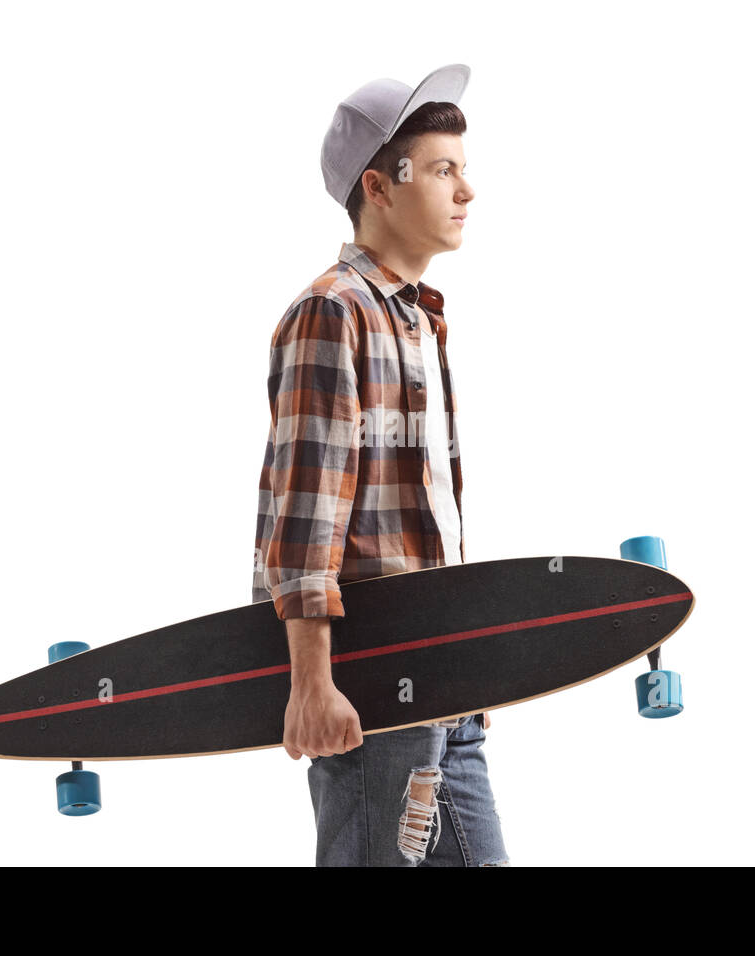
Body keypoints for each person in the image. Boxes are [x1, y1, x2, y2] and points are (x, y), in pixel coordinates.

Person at [251, 65, 509, 867]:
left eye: (463, 169)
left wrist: (462, 658)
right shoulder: (334, 312)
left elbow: (426, 517)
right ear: (380, 187)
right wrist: (310, 681)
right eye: (442, 170)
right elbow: (307, 509)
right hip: (368, 683)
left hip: (438, 676)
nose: (467, 190)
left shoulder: (419, 322)